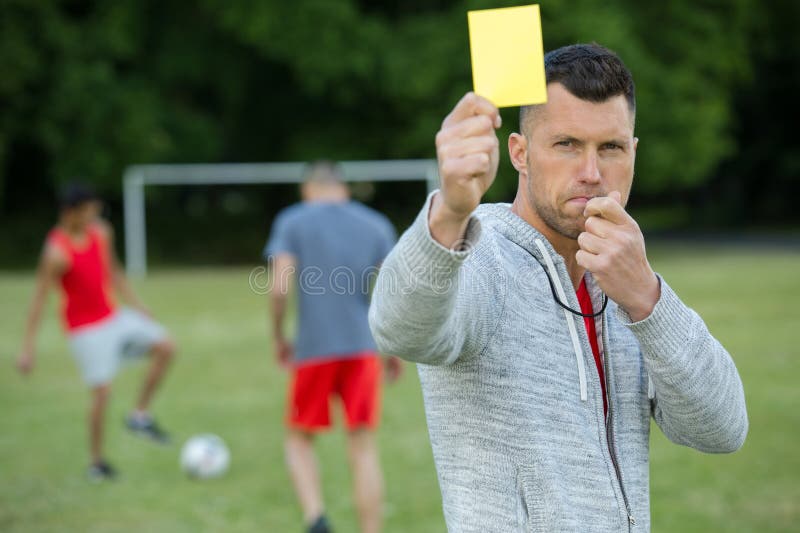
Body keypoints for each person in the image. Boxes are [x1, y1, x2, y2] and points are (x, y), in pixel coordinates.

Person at [369, 44, 748, 532]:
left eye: (610, 148)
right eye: (567, 144)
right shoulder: (483, 260)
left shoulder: (627, 280)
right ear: (520, 154)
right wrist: (449, 213)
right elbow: (399, 329)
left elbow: (722, 429)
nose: (591, 173)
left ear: (633, 153)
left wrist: (647, 298)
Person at [264, 161, 401, 533]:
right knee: (362, 446)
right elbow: (393, 294)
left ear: (308, 189)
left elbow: (278, 287)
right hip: (363, 349)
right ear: (343, 188)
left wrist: (279, 336)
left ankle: (316, 517)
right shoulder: (375, 223)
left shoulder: (292, 221)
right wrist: (392, 349)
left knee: (298, 438)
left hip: (313, 350)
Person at [17, 183, 176, 481]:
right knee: (102, 394)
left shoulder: (101, 233)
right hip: (85, 330)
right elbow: (39, 299)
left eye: (95, 210)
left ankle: (139, 416)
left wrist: (138, 306)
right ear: (69, 213)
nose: (93, 216)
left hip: (114, 317)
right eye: (88, 211)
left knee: (166, 346)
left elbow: (113, 271)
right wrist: (28, 348)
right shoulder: (56, 252)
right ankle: (97, 463)